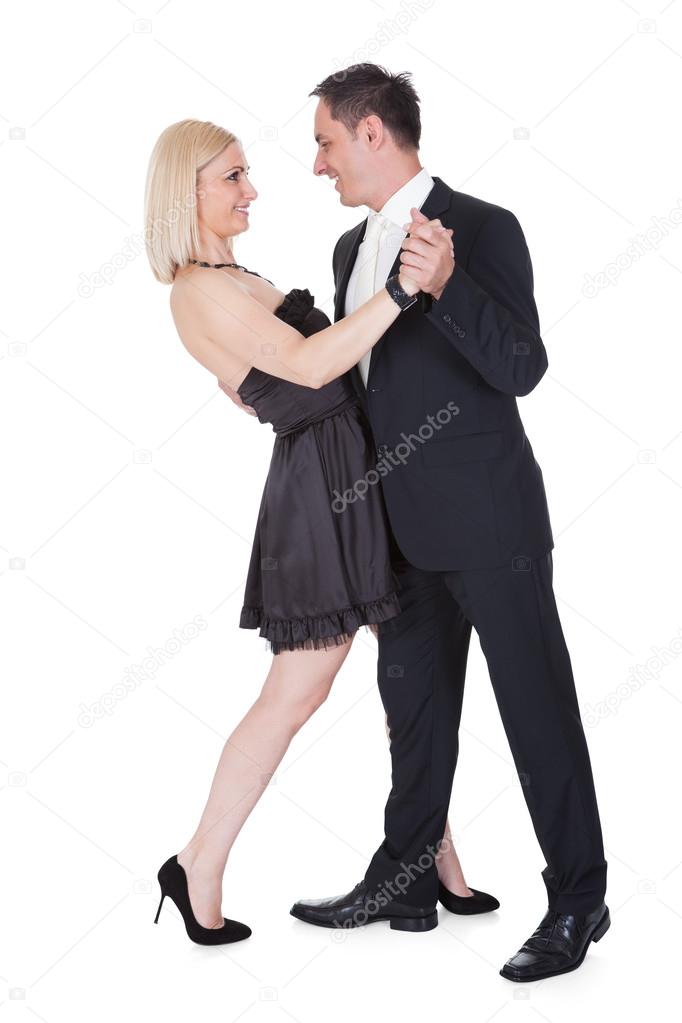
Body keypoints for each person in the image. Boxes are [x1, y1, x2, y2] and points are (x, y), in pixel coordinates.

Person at [289, 63, 610, 983]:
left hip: (494, 526)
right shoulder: (351, 254)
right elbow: (360, 381)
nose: (318, 164)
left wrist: (452, 288)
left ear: (372, 134)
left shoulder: (484, 226)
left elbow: (524, 366)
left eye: (324, 141)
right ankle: (407, 878)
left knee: (536, 714)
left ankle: (580, 899)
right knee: (415, 717)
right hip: (398, 535)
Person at [144, 118, 498, 946]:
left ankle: (432, 862)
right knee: (294, 694)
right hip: (323, 501)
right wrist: (403, 293)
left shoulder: (238, 277)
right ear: (186, 191)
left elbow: (261, 388)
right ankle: (197, 861)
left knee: (408, 684)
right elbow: (306, 369)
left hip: (359, 479)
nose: (253, 189)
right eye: (233, 177)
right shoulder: (194, 291)